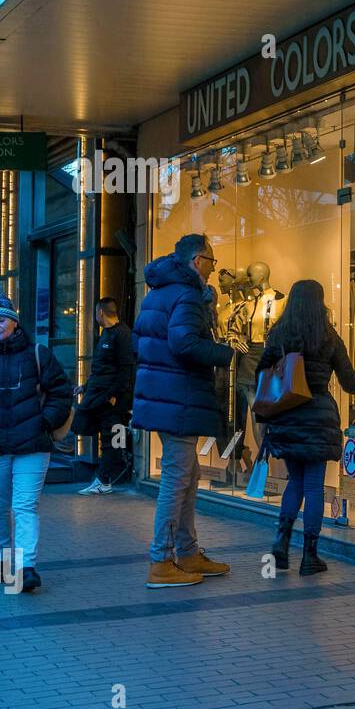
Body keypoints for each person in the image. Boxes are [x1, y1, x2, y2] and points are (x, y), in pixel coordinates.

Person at [132, 233, 235, 588]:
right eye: (211, 261)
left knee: (187, 478)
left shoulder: (159, 292)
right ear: (197, 261)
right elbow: (185, 344)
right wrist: (226, 355)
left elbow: (143, 342)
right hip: (179, 398)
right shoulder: (187, 295)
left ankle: (187, 551)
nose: (212, 269)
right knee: (177, 482)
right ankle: (161, 561)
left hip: (164, 396)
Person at [256, 279, 355, 575]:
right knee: (314, 486)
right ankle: (309, 556)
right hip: (318, 415)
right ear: (320, 302)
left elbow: (261, 373)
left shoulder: (279, 334)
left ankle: (280, 545)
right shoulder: (328, 336)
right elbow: (349, 382)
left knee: (295, 481)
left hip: (288, 415)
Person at [0, 294, 73, 593]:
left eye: (0, 319)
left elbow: (60, 393)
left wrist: (45, 422)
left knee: (25, 505)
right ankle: (0, 563)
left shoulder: (38, 354)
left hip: (33, 445)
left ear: (13, 321)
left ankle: (27, 567)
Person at [74, 297, 136, 494]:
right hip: (99, 395)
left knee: (112, 439)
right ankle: (104, 477)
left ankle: (104, 480)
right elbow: (102, 368)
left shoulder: (122, 334)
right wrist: (85, 387)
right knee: (94, 430)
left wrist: (115, 395)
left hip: (111, 400)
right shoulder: (106, 334)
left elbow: (126, 368)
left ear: (100, 312)